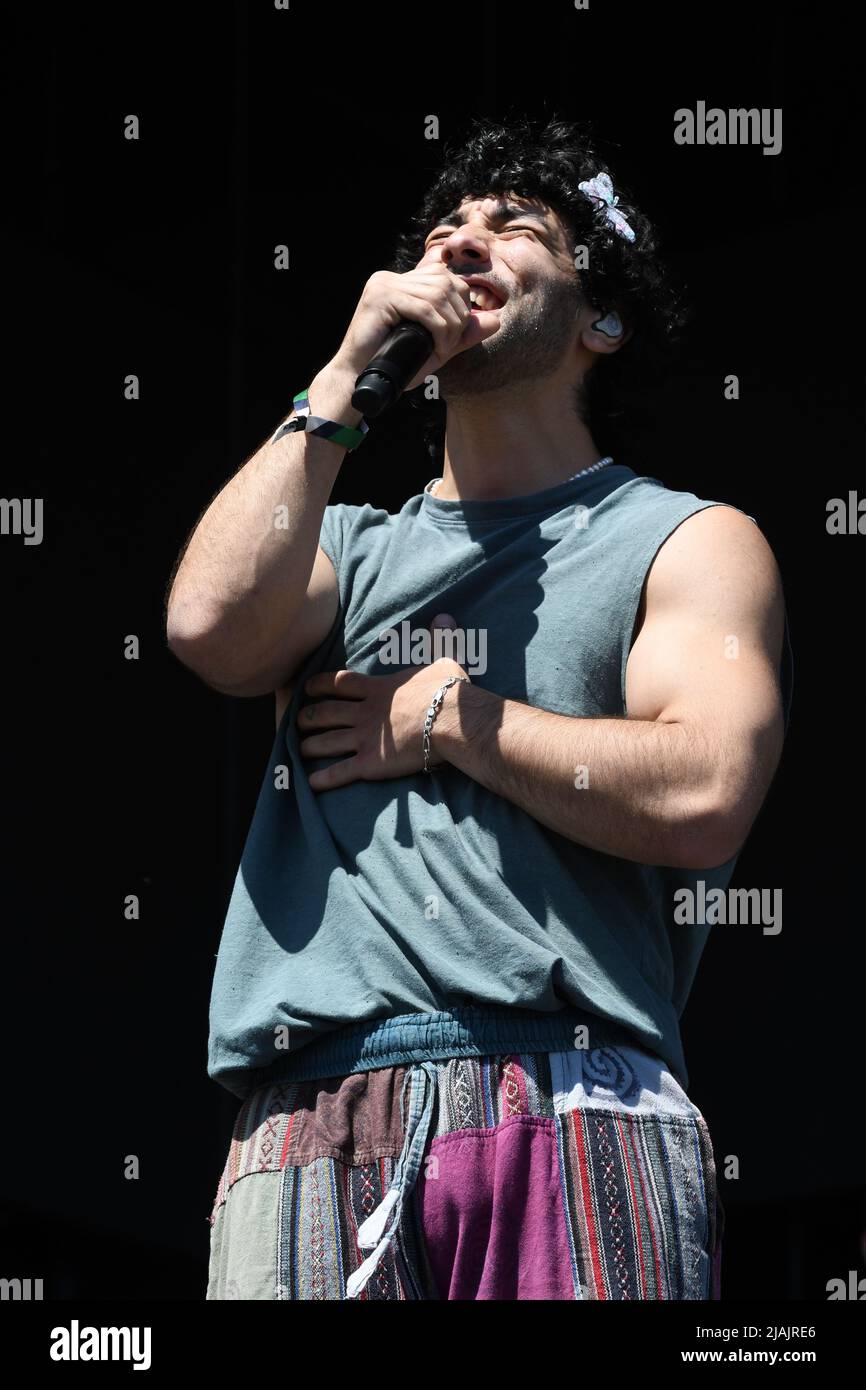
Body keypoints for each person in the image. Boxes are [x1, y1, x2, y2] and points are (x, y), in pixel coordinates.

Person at [165, 116, 793, 1300]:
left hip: (573, 1099)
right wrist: (345, 377)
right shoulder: (347, 552)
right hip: (311, 1111)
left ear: (598, 321)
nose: (462, 245)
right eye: (443, 232)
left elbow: (703, 790)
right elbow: (208, 627)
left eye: (513, 231)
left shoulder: (685, 540)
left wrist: (448, 714)